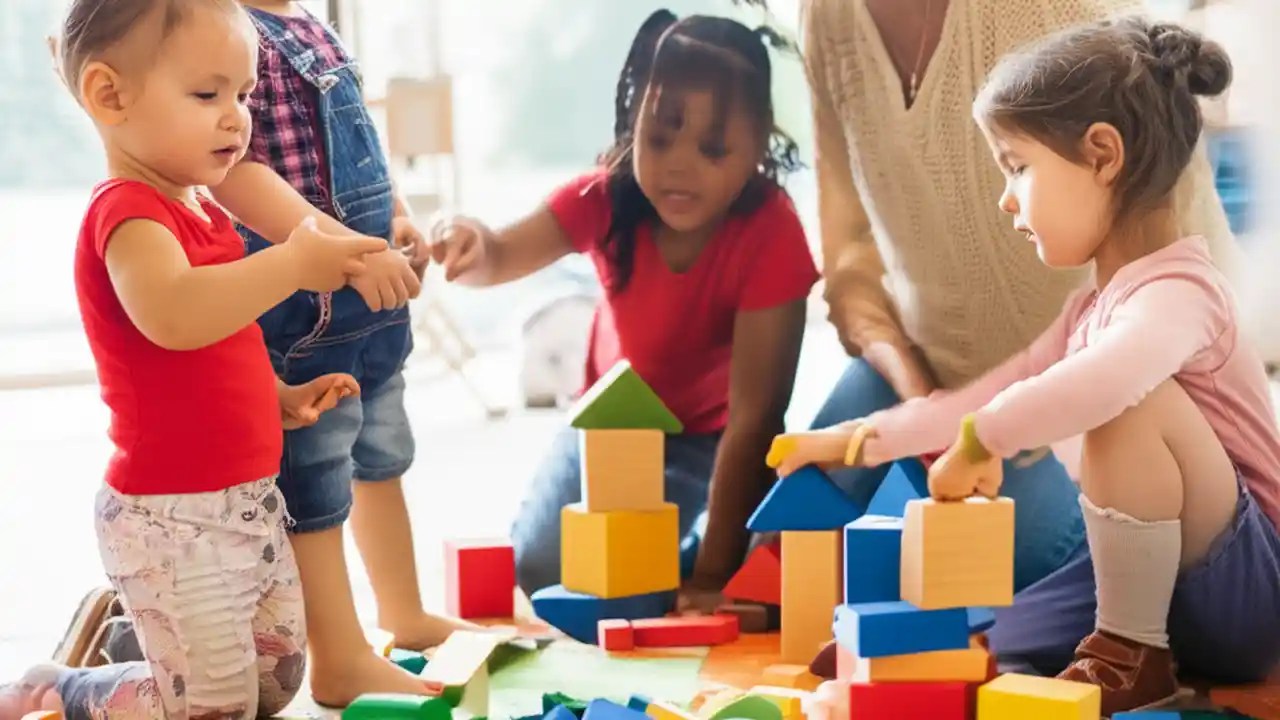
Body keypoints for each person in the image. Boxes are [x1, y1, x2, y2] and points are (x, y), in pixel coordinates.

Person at [776, 16, 1280, 716]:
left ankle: (1129, 657)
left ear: (1104, 154)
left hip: (1246, 592)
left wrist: (985, 439)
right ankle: (921, 656)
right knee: (988, 636)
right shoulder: (1089, 312)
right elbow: (980, 394)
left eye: (1018, 166)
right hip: (1152, 589)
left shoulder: (1181, 293)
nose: (1006, 198)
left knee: (1127, 403)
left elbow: (1097, 383)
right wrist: (859, 440)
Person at [0, 1, 386, 717]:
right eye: (208, 95)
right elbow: (176, 316)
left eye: (243, 95)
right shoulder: (129, 214)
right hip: (171, 517)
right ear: (110, 96)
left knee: (275, 684)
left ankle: (145, 650)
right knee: (215, 706)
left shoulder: (202, 207)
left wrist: (277, 394)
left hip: (245, 501)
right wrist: (294, 263)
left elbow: (220, 338)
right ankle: (68, 687)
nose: (237, 116)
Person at [426, 10, 819, 606]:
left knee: (738, 568)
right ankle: (679, 553)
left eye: (713, 148)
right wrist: (468, 240)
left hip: (714, 440)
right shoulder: (605, 198)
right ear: (635, 123)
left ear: (760, 142)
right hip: (611, 430)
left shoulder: (772, 232)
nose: (680, 165)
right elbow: (500, 253)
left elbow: (757, 417)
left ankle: (704, 551)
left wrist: (712, 578)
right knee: (544, 569)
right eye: (660, 139)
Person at [207, 0, 474, 706]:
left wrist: (397, 217)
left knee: (382, 453)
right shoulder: (223, 32)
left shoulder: (310, 26)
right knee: (316, 484)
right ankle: (341, 655)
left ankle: (403, 611)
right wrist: (347, 253)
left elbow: (360, 153)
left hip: (370, 301)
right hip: (305, 309)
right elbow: (235, 174)